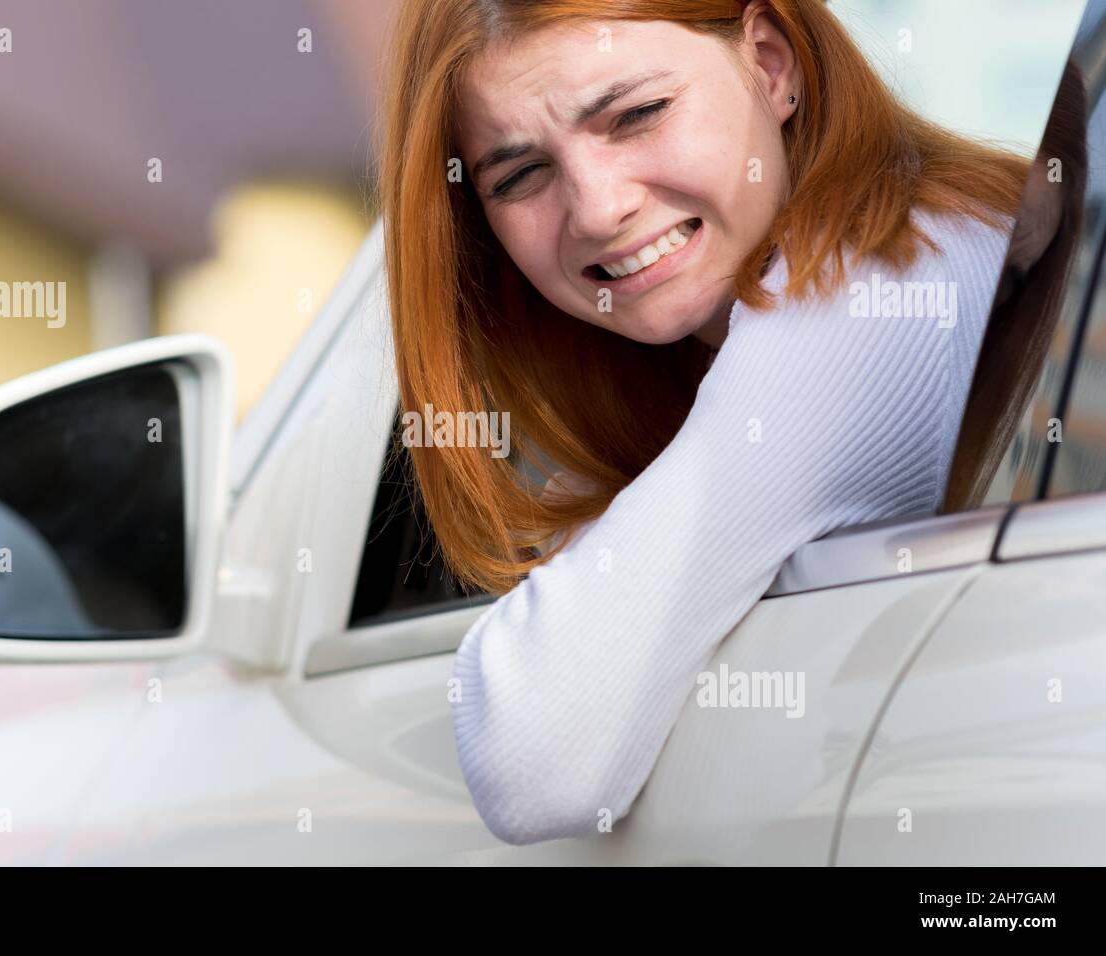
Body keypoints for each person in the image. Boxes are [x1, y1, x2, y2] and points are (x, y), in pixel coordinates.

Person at [375, 0, 1030, 844]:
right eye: (519, 177)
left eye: (637, 114)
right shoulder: (747, 326)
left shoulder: (883, 289)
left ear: (771, 62)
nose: (598, 208)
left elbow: (534, 758)